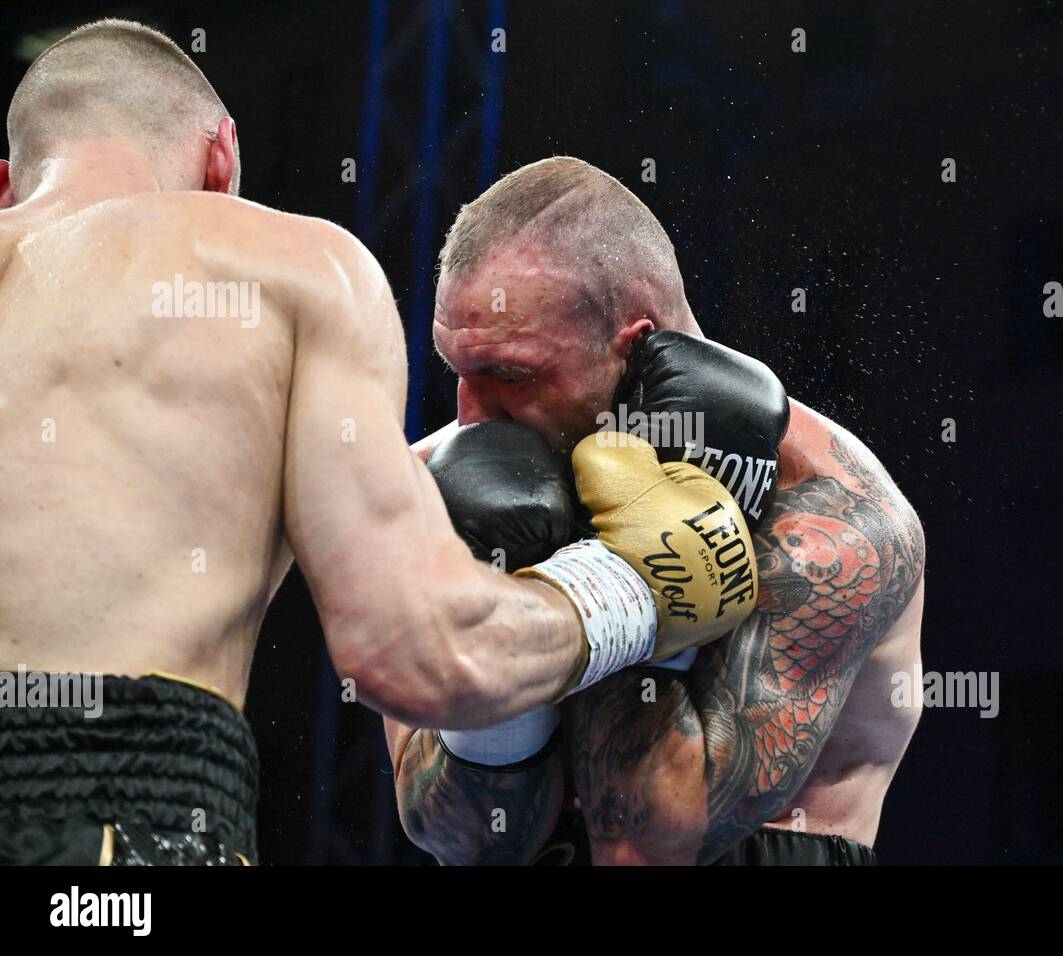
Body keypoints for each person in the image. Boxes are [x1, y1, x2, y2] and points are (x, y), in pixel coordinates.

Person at [0, 22, 749, 865]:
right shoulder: (288, 265)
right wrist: (636, 588)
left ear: (5, 185)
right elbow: (417, 653)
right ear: (221, 161)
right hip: (115, 806)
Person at [390, 156, 927, 865]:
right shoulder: (431, 483)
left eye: (511, 375)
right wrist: (503, 670)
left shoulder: (831, 517)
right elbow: (461, 838)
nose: (471, 416)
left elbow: (643, 844)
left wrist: (643, 592)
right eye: (457, 370)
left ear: (638, 343)